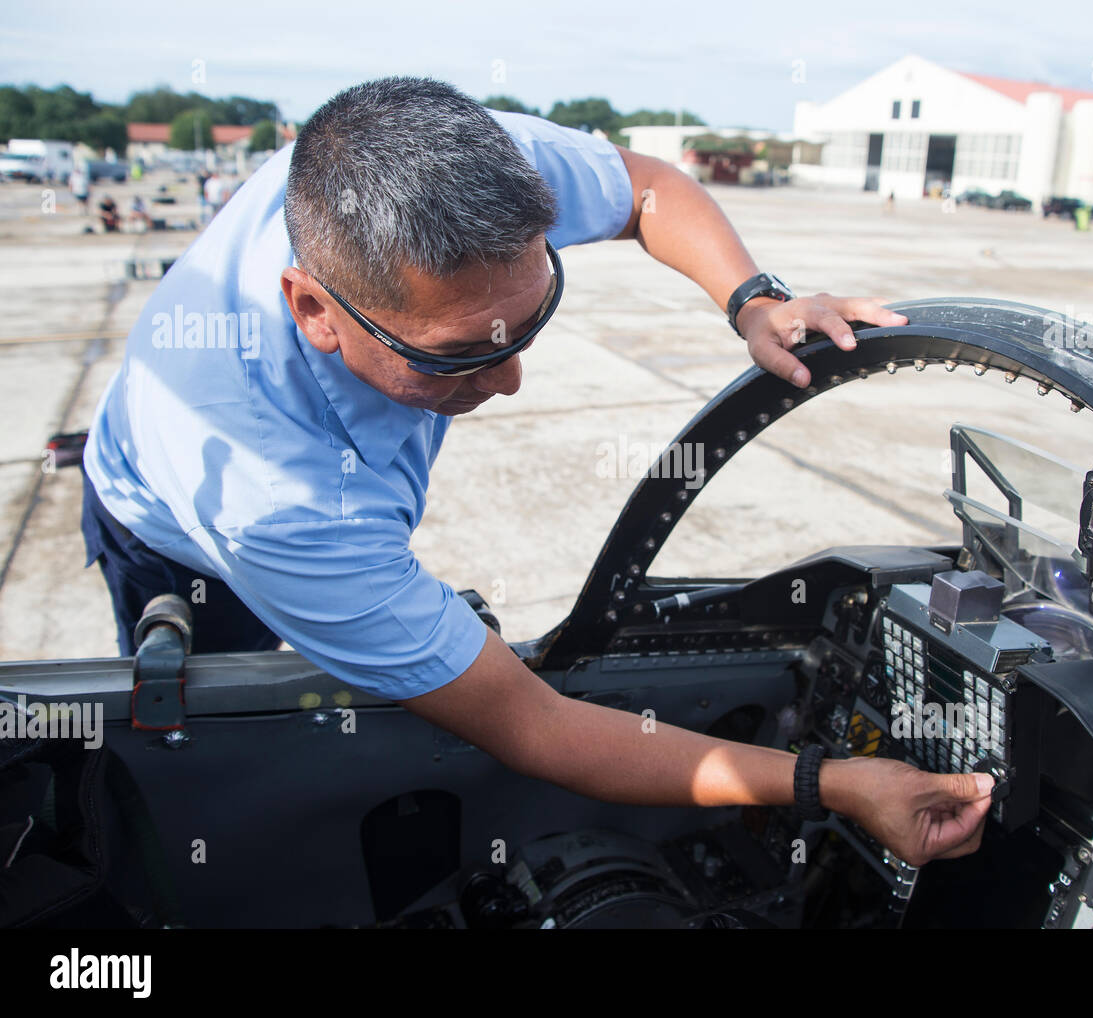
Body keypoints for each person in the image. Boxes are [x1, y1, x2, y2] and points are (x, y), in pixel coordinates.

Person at [81, 77, 991, 868]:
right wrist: (827, 783)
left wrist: (755, 300)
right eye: (459, 355)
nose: (513, 381)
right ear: (316, 309)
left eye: (531, 320)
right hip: (169, 543)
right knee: (214, 730)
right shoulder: (275, 506)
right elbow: (532, 724)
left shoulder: (463, 164)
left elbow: (645, 190)